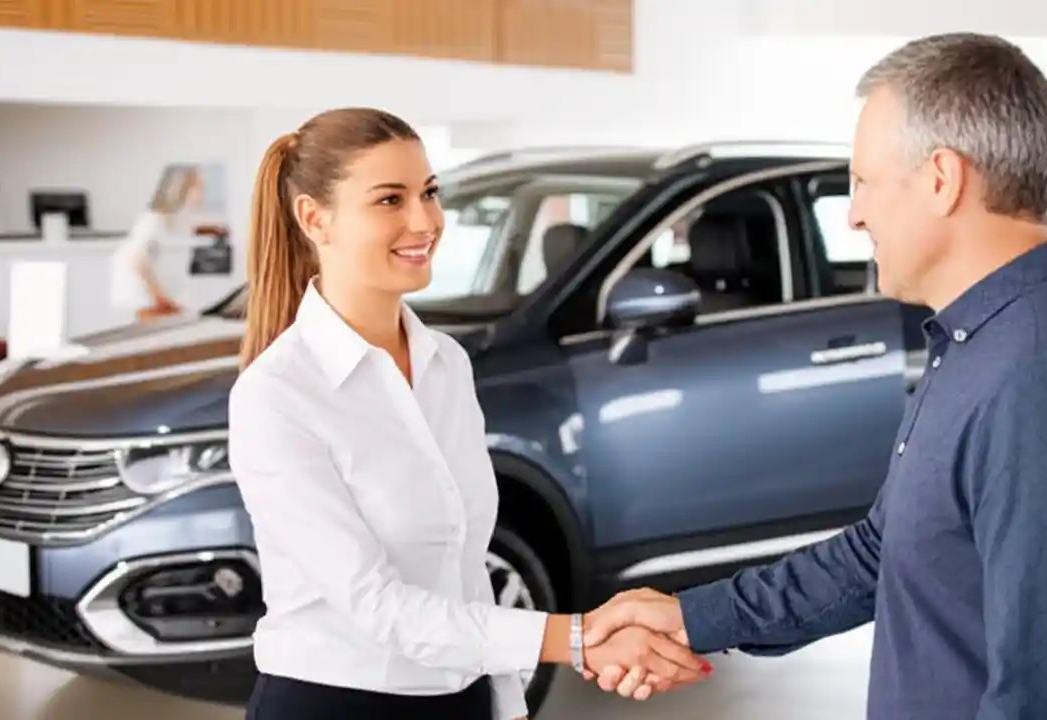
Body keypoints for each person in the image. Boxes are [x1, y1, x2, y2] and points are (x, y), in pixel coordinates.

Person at [584, 32, 1047, 719]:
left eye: (863, 180)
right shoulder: (982, 342)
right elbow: (884, 552)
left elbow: (1044, 703)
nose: (855, 211)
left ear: (941, 179)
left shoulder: (1039, 379)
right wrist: (691, 617)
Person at [227, 108, 711, 720]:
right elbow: (375, 604)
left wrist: (503, 703)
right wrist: (578, 636)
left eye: (429, 193)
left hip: (462, 700)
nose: (424, 220)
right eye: (389, 200)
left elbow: (463, 569)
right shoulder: (277, 395)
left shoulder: (445, 363)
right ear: (313, 218)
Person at [110, 166, 203, 322]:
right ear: (181, 190)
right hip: (146, 302)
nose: (201, 194)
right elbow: (138, 261)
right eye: (198, 188)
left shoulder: (174, 222)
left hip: (158, 301)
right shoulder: (154, 220)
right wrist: (161, 298)